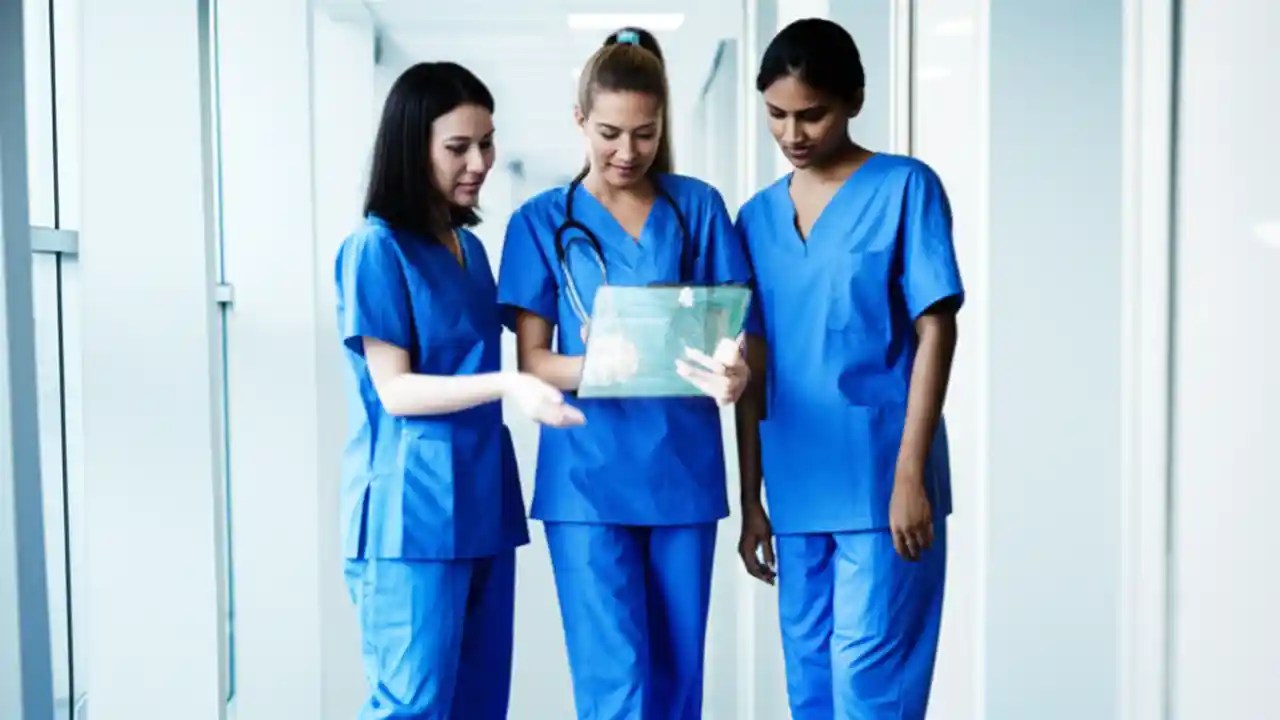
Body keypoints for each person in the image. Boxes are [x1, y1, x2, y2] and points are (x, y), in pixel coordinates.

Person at [496, 27, 751, 720]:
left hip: (682, 471)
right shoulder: (541, 222)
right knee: (616, 688)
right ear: (580, 119)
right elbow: (534, 362)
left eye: (645, 133)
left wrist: (735, 374)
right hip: (586, 478)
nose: (627, 151)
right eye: (609, 132)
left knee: (675, 684)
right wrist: (599, 364)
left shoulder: (696, 207)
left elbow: (731, 339)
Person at [334, 61, 584, 720]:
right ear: (413, 148)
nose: (479, 161)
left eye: (487, 141)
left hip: (479, 504)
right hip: (409, 517)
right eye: (458, 147)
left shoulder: (469, 251)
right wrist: (510, 380)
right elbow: (393, 390)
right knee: (412, 706)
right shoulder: (376, 249)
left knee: (478, 704)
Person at [734, 18, 964, 720]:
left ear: (856, 100)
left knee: (870, 690)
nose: (793, 134)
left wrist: (908, 476)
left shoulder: (904, 187)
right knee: (810, 690)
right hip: (797, 485)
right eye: (776, 115)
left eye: (813, 114)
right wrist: (750, 498)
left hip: (881, 486)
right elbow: (752, 364)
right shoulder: (755, 219)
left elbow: (937, 329)